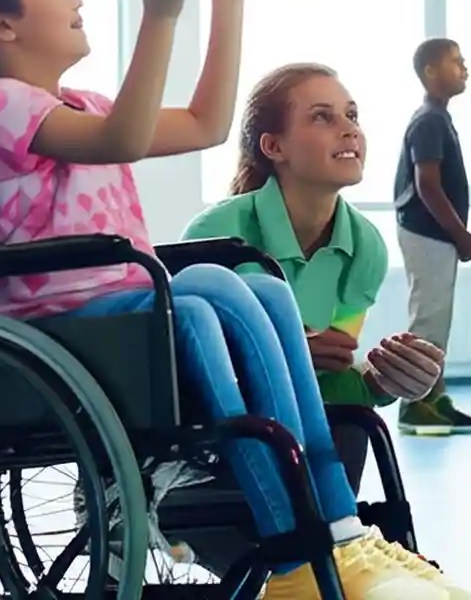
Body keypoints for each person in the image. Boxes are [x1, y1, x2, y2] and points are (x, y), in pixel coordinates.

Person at [0, 0, 468, 600]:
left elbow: (208, 124)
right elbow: (123, 137)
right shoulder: (0, 106)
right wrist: (159, 16)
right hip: (65, 328)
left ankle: (338, 528)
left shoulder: (82, 105)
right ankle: (294, 547)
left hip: (119, 314)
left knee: (259, 291)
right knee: (207, 287)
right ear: (0, 22)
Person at [182, 62, 445, 493]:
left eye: (352, 115)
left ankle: (334, 545)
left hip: (299, 429)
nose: (349, 130)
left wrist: (388, 382)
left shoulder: (365, 246)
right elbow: (185, 366)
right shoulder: (213, 235)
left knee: (350, 409)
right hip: (216, 432)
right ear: (274, 146)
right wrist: (282, 350)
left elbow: (333, 374)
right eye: (323, 116)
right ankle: (332, 544)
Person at [391, 37, 471, 436]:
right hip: (426, 231)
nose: (464, 68)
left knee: (437, 319)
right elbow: (427, 184)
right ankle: (414, 404)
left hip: (434, 234)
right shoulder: (428, 121)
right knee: (428, 319)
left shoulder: (439, 118)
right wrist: (460, 234)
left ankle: (436, 398)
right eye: (456, 62)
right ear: (430, 71)